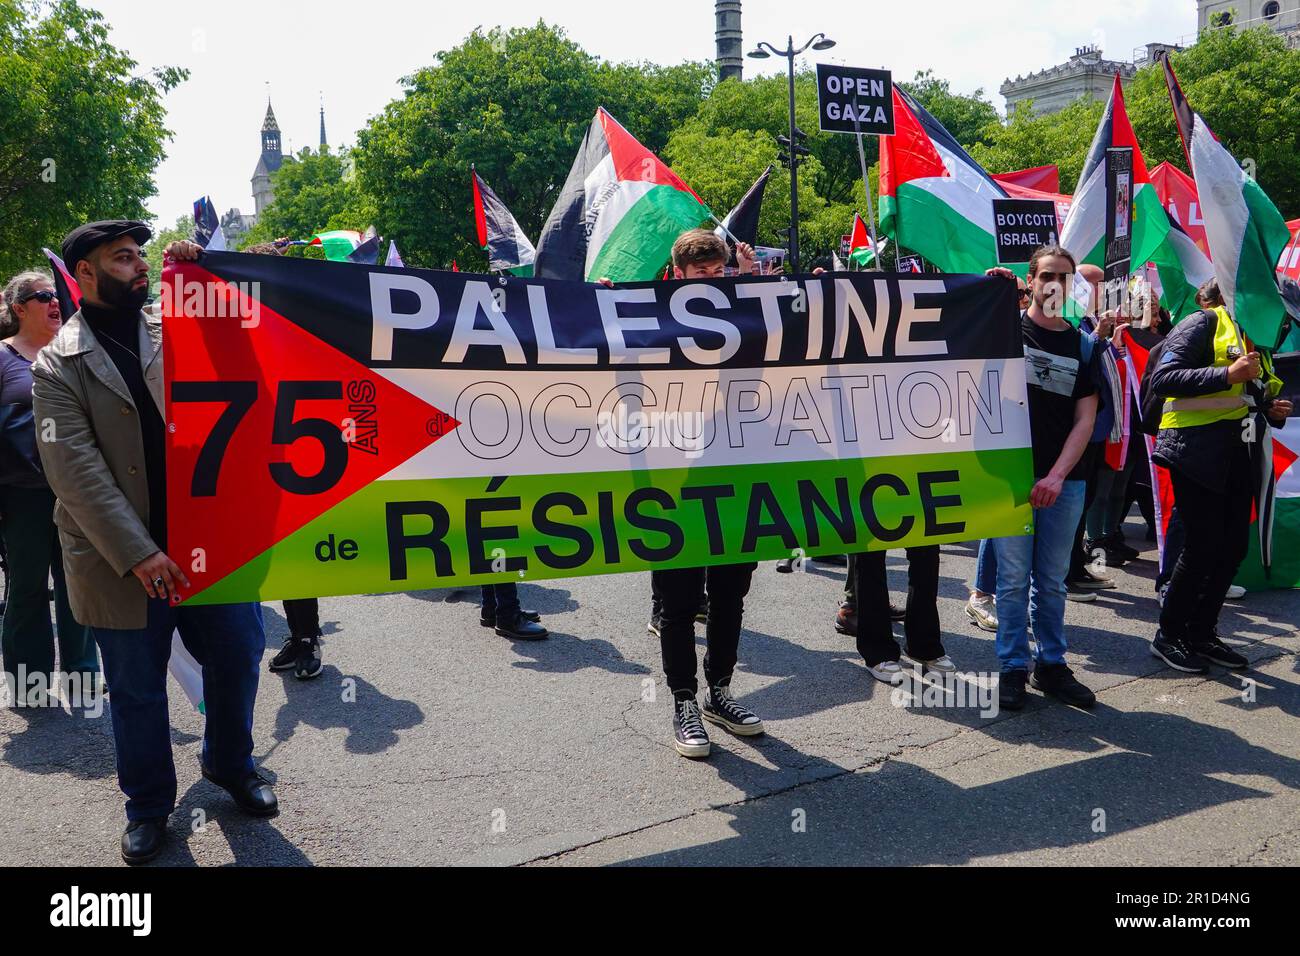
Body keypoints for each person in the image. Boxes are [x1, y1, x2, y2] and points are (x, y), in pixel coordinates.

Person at [32, 221, 276, 865]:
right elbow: (73, 471)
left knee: (238, 656)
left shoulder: (178, 327)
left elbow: (245, 353)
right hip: (122, 560)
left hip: (208, 543)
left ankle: (230, 764)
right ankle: (147, 806)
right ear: (85, 272)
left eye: (142, 256)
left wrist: (206, 271)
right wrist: (139, 552)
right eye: (122, 258)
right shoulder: (57, 362)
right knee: (137, 690)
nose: (138, 266)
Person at [641, 229, 764, 758]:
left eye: (720, 273)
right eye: (702, 275)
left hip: (737, 473)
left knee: (730, 594)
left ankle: (720, 691)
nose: (713, 284)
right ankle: (683, 700)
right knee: (678, 600)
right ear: (678, 277)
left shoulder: (744, 320)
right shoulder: (652, 323)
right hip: (674, 480)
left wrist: (756, 282)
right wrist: (599, 303)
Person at [1148, 278, 1289, 672]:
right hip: (1195, 452)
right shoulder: (1202, 323)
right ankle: (1169, 634)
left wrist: (1270, 407)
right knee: (1201, 547)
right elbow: (1164, 380)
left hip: (1238, 454)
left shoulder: (1256, 336)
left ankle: (1202, 632)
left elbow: (1252, 393)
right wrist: (1226, 375)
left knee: (1232, 549)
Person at [986, 247, 1099, 710]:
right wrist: (984, 288)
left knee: (1051, 581)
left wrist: (1055, 476)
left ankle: (1051, 665)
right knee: (1012, 581)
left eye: (1065, 278)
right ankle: (1013, 667)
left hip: (1064, 482)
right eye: (1047, 275)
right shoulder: (1003, 331)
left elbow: (1085, 420)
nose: (1055, 284)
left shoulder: (1083, 344)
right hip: (1006, 481)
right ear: (1029, 281)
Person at [0, 271, 98, 702]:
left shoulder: (73, 352)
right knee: (27, 587)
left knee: (79, 584)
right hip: (21, 495)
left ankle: (82, 676)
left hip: (76, 490)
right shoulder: (2, 358)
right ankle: (28, 684)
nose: (55, 301)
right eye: (43, 296)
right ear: (19, 309)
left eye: (56, 294)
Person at [964, 277, 1031, 633]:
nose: (1022, 300)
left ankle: (1007, 596)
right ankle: (982, 595)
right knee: (1002, 516)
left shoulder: (1042, 328)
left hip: (1033, 442)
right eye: (1019, 293)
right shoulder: (996, 331)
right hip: (1000, 442)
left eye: (1022, 294)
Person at [1064, 264, 1120, 600]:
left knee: (1085, 501)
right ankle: (1067, 574)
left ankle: (1077, 565)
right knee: (1073, 504)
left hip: (1097, 428)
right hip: (1078, 429)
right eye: (1098, 283)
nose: (1104, 289)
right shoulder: (1070, 320)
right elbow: (1076, 361)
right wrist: (1099, 337)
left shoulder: (1087, 320)